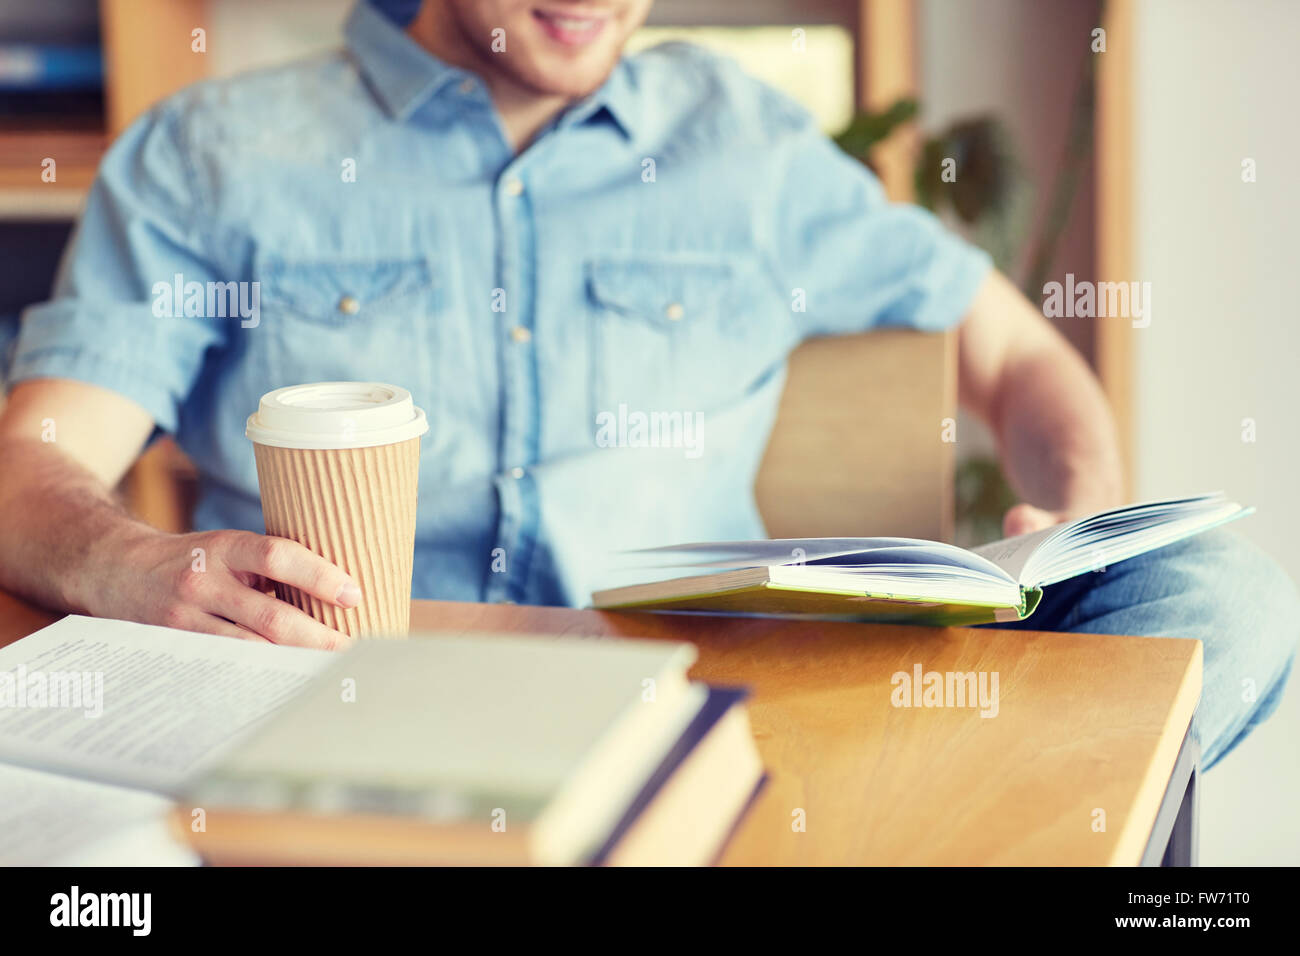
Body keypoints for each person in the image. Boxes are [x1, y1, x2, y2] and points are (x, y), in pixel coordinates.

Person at [0, 0, 1293, 768]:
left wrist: (1072, 520)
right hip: (351, 711)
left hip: (702, 709)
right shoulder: (215, 153)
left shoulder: (746, 146)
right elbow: (31, 467)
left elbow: (1017, 353)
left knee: (1221, 588)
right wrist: (128, 565)